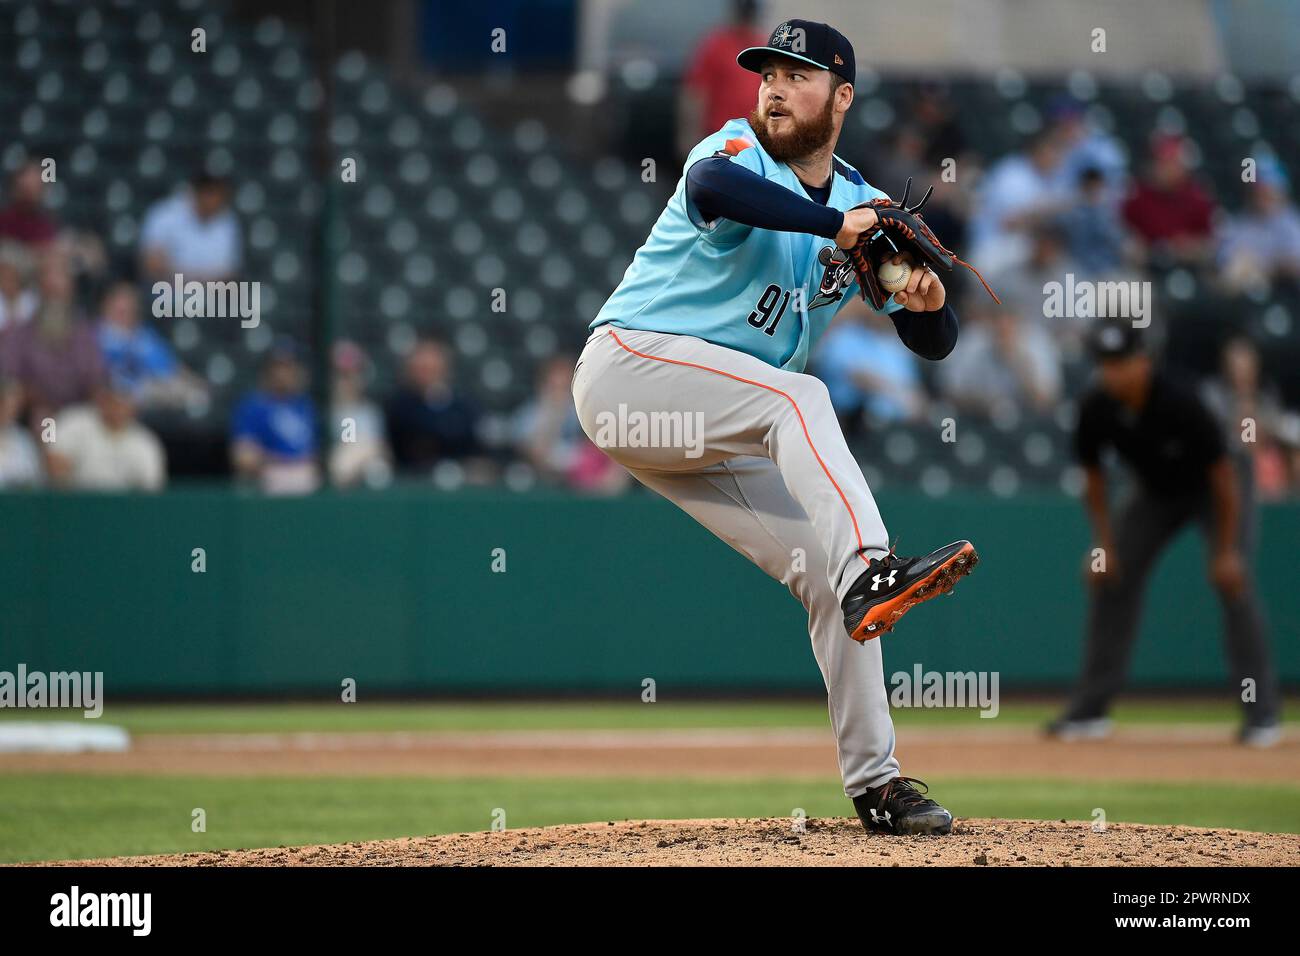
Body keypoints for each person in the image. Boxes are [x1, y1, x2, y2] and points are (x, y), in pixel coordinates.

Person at [573, 19, 982, 836]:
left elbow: (932, 342)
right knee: (802, 399)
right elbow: (718, 197)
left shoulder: (864, 203)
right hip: (631, 369)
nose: (775, 85)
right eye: (768, 72)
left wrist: (930, 304)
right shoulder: (732, 152)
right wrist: (839, 228)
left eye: (798, 74)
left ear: (843, 95)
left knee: (830, 583)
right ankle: (876, 564)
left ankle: (878, 784)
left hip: (717, 420)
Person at [1049, 320, 1281, 747]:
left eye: (1122, 362)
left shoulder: (1181, 398)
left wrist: (1227, 551)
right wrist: (1105, 544)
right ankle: (1090, 709)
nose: (1113, 372)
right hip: (1156, 491)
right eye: (1105, 364)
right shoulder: (1096, 405)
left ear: (1144, 361)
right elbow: (1094, 478)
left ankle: (1262, 714)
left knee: (1234, 583)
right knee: (1110, 577)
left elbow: (1224, 474)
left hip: (1217, 489)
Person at [0, 250, 104, 430]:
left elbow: (95, 379)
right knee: (47, 426)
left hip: (80, 413)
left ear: (70, 287)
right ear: (39, 287)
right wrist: (34, 397)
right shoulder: (20, 333)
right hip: (40, 413)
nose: (53, 285)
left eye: (60, 278)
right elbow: (11, 381)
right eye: (47, 279)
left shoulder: (85, 333)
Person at [514, 353, 628, 494]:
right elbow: (538, 454)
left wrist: (610, 478)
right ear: (543, 385)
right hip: (549, 482)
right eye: (555, 387)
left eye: (565, 386)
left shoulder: (588, 409)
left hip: (593, 484)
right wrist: (555, 412)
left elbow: (618, 446)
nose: (561, 393)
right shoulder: (530, 414)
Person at [813, 295, 925, 430]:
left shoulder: (899, 347)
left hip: (896, 425)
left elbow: (914, 391)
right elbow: (857, 376)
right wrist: (894, 392)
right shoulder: (845, 333)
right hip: (852, 421)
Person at [676, 0, 769, 160]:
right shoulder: (716, 45)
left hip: (754, 139)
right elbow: (695, 95)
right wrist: (689, 136)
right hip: (721, 138)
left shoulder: (762, 46)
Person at [936, 302, 1062, 417]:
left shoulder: (1037, 341)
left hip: (1027, 419)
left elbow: (1046, 400)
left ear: (1018, 322)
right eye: (998, 321)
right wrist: (982, 401)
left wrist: (1017, 361)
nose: (1003, 328)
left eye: (1009, 322)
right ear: (989, 322)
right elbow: (949, 391)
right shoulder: (973, 341)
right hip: (977, 418)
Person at [95, 281, 205, 409]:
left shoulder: (145, 334)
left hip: (162, 385)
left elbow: (173, 366)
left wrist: (197, 382)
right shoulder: (97, 334)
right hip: (124, 391)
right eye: (120, 308)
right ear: (106, 306)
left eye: (130, 306)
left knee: (197, 394)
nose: (126, 311)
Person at [385, 339, 485, 476]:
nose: (425, 373)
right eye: (421, 368)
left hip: (461, 474)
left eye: (431, 369)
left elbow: (470, 439)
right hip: (414, 475)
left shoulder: (463, 405)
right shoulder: (400, 405)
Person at [231, 341, 319, 494]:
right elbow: (242, 456)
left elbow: (318, 450)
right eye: (278, 367)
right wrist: (282, 462)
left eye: (288, 366)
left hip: (307, 473)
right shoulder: (254, 406)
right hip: (269, 475)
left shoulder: (306, 405)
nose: (282, 373)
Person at [45, 381, 166, 491]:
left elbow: (151, 488)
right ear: (101, 400)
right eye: (112, 400)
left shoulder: (145, 441)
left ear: (133, 407)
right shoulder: (72, 420)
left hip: (123, 510)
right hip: (74, 504)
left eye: (124, 402)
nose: (117, 408)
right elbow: (53, 461)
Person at [1121, 134, 1217, 269]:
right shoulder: (1138, 196)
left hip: (1190, 266)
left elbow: (1210, 242)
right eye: (1162, 163)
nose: (1167, 169)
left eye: (1173, 163)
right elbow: (1125, 234)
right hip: (1147, 268)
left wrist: (1190, 246)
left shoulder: (1197, 196)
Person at [139, 171, 242, 282]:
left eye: (219, 195)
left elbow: (230, 271)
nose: (214, 201)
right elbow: (152, 264)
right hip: (166, 289)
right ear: (197, 192)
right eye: (210, 192)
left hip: (211, 291)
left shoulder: (228, 220)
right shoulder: (165, 214)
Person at [1218, 158, 1300, 292]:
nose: (1263, 196)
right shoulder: (1240, 222)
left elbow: (1295, 263)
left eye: (1269, 190)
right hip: (1245, 294)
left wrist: (1265, 266)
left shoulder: (1290, 220)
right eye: (1259, 191)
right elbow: (1227, 265)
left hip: (1285, 291)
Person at [328, 340, 391, 488]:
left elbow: (383, 451)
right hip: (335, 479)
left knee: (377, 467)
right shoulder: (322, 411)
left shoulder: (370, 412)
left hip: (365, 480)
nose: (348, 381)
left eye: (353, 374)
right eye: (342, 375)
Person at [0, 376, 42, 488]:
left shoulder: (23, 439)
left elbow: (33, 481)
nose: (9, 411)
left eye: (13, 406)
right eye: (3, 405)